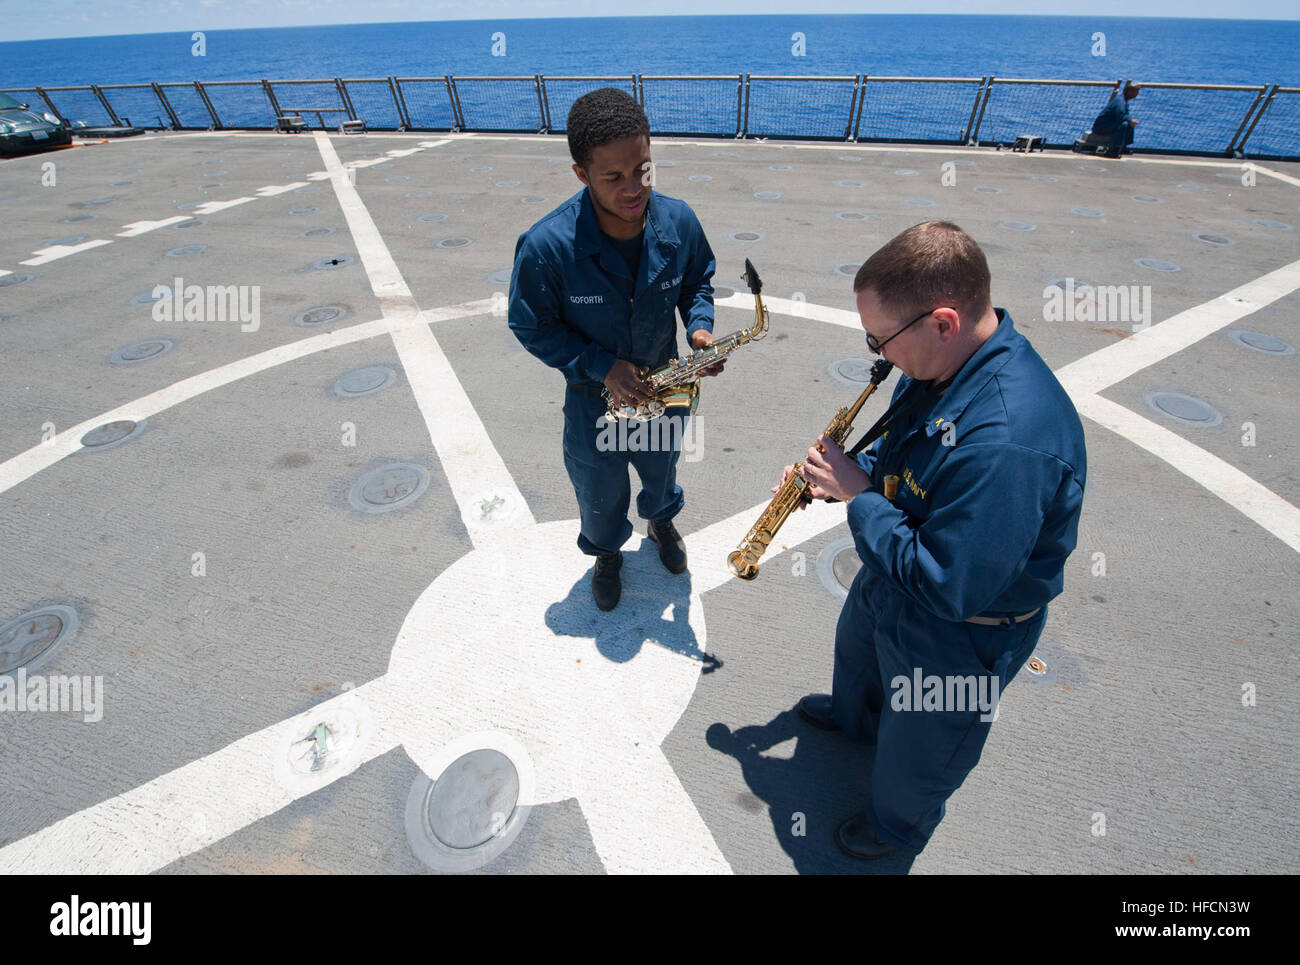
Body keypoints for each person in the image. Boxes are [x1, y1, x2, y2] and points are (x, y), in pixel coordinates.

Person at [785, 221, 1087, 859]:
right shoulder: (941, 365)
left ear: (943, 323)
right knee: (859, 662)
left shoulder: (1008, 440)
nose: (877, 352)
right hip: (893, 572)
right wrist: (849, 476)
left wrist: (858, 498)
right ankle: (856, 719)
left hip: (961, 631)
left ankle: (894, 830)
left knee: (920, 756)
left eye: (881, 339)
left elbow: (948, 586)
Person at [508, 87, 721, 611]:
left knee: (662, 470)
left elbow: (698, 281)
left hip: (663, 386)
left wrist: (700, 331)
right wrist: (602, 367)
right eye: (613, 177)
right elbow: (530, 325)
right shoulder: (546, 247)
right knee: (599, 490)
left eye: (643, 169)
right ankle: (607, 553)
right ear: (581, 174)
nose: (634, 188)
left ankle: (661, 522)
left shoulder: (679, 221)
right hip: (591, 400)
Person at [1091, 82, 1140, 157]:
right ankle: (1113, 150)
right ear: (1127, 91)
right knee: (1124, 124)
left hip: (1110, 125)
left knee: (1129, 123)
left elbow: (1126, 115)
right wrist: (1130, 120)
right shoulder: (1120, 101)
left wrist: (1131, 120)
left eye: (1137, 92)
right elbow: (1120, 117)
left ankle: (1123, 147)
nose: (1136, 94)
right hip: (1100, 127)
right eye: (1134, 92)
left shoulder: (1124, 101)